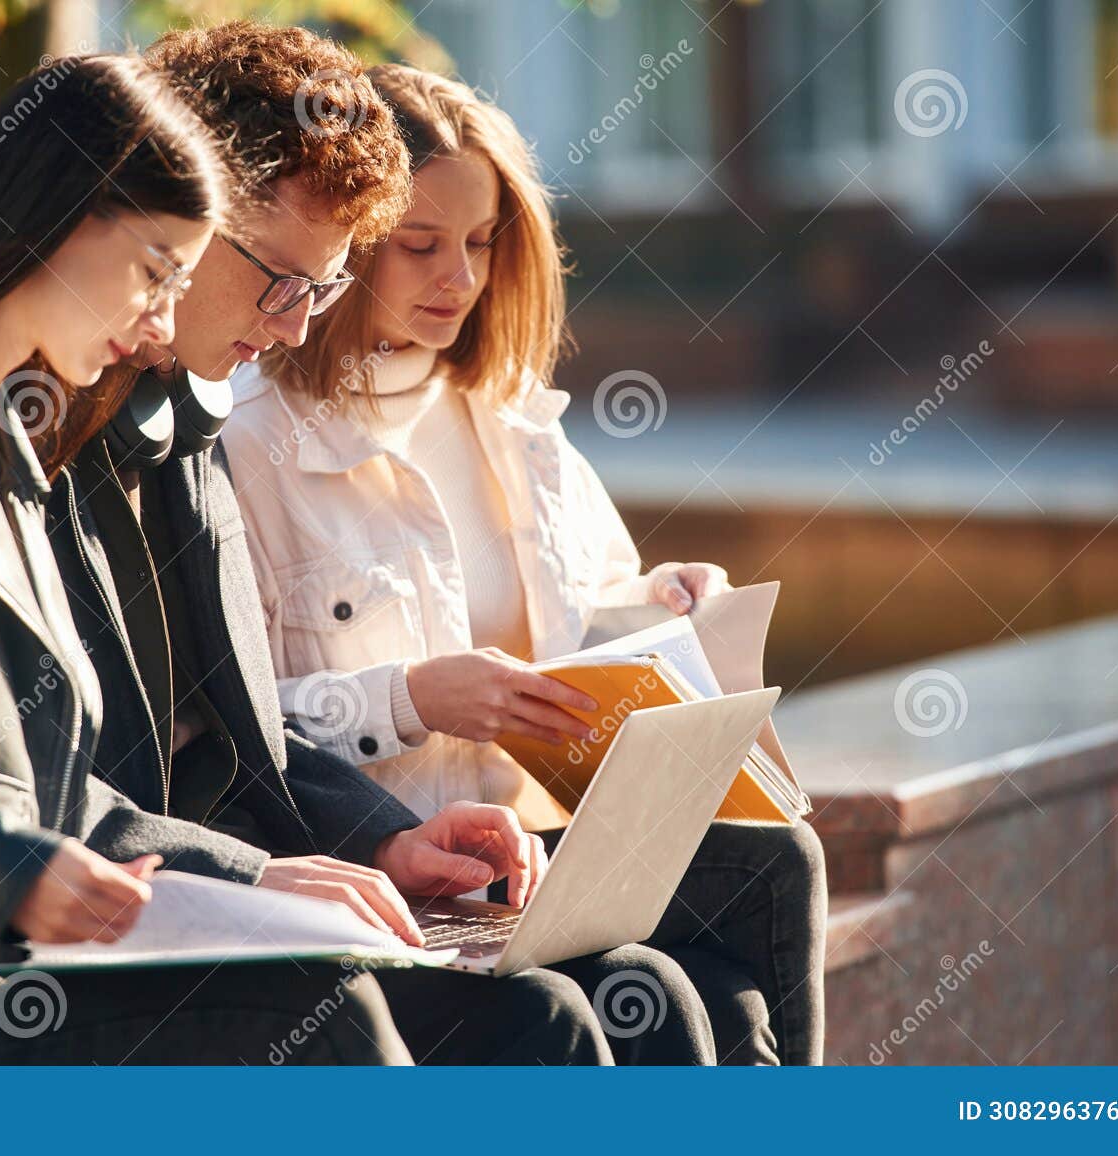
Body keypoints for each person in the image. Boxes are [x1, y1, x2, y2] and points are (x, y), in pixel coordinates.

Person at [0, 54, 499, 1068]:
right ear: (58, 220)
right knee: (319, 1015)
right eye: (157, 271)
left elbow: (43, 782)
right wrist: (8, 864)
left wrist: (241, 882)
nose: (160, 323)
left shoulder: (12, 452)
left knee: (367, 1003)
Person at [35, 22, 712, 1064]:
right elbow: (50, 773)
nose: (297, 325)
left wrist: (379, 842)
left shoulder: (186, 427)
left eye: (482, 243)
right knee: (542, 1018)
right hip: (112, 927)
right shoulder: (190, 433)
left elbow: (227, 732)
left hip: (350, 863)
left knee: (669, 970)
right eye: (415, 246)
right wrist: (305, 840)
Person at [222, 63, 830, 1065]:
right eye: (418, 245)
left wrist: (659, 605)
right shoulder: (252, 444)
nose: (457, 277)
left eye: (479, 242)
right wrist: (411, 696)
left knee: (771, 860)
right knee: (680, 1001)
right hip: (396, 859)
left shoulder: (512, 417)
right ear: (347, 242)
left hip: (544, 852)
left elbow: (583, 616)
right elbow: (228, 725)